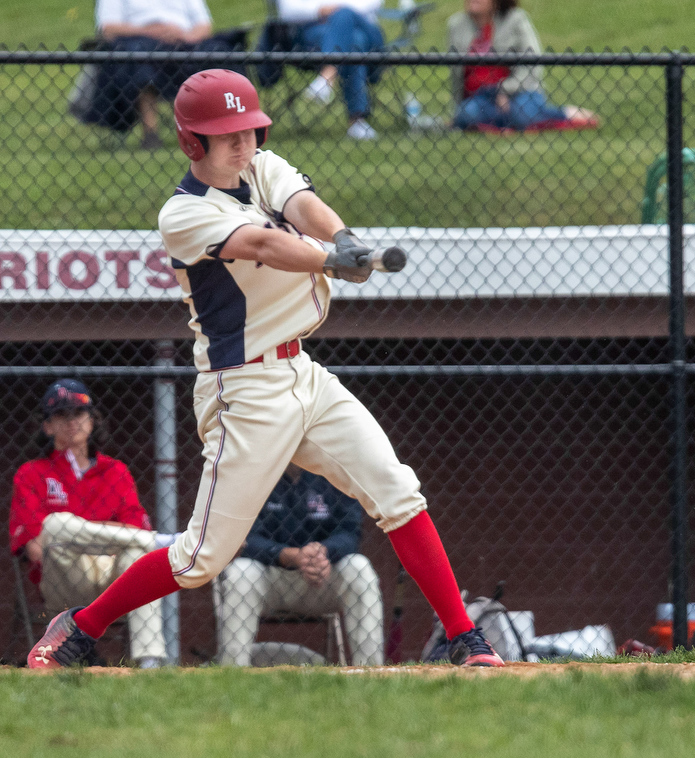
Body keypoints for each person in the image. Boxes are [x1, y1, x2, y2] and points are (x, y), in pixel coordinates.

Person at [27, 69, 503, 671]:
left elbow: (303, 205)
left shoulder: (262, 164)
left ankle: (465, 638)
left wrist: (344, 237)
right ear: (190, 144)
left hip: (302, 371)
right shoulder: (182, 213)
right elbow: (263, 245)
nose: (243, 144)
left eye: (249, 130)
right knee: (200, 559)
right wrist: (331, 259)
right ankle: (81, 625)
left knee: (398, 491)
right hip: (243, 390)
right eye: (226, 136)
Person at [10, 379, 178, 668]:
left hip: (111, 578)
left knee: (136, 555)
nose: (72, 421)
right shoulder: (31, 473)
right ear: (47, 426)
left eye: (79, 412)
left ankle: (150, 666)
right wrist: (105, 536)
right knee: (56, 525)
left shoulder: (116, 471)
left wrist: (94, 538)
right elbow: (37, 550)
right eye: (61, 414)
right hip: (62, 578)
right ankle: (161, 541)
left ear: (92, 420)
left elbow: (135, 528)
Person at [215, 464, 384, 666]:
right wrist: (290, 556)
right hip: (270, 577)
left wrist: (323, 552)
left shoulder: (336, 470)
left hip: (323, 577)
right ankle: (232, 671)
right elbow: (247, 539)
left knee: (359, 568)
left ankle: (371, 671)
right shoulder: (256, 470)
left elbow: (350, 532)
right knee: (240, 572)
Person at [84, 0, 241, 149]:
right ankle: (151, 133)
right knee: (139, 56)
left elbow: (204, 25)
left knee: (221, 49)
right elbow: (108, 28)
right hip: (140, 43)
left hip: (185, 43)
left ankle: (227, 127)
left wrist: (186, 37)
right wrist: (150, 32)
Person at [447, 0, 597, 132]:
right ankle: (505, 122)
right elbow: (457, 74)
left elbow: (532, 63)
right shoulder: (456, 25)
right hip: (481, 97)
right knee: (467, 114)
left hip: (518, 91)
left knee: (521, 114)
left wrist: (504, 90)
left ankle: (564, 113)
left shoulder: (515, 19)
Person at [267, 0, 386, 140]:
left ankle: (327, 75)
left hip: (365, 28)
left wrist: (338, 10)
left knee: (345, 15)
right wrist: (321, 10)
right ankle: (357, 120)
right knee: (354, 43)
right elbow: (288, 10)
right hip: (315, 32)